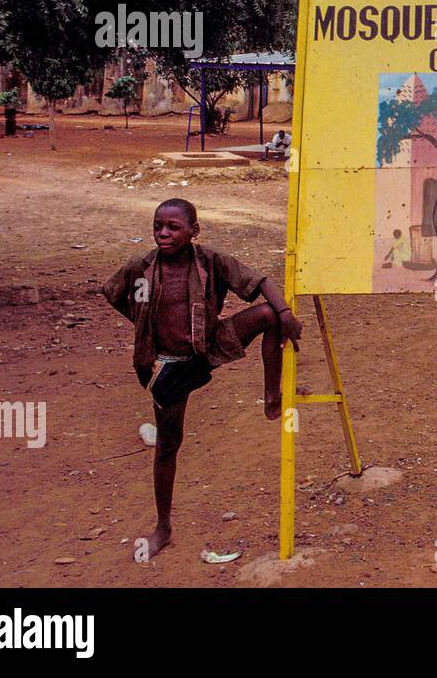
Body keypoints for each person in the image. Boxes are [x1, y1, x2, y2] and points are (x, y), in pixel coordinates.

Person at [102, 198, 302, 558]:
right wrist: (143, 324)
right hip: (167, 366)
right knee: (167, 444)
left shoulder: (211, 261)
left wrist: (286, 312)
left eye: (173, 227)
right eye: (158, 226)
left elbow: (260, 282)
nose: (163, 233)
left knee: (269, 315)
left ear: (194, 231)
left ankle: (272, 396)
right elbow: (113, 292)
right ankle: (163, 527)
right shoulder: (142, 268)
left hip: (209, 346)